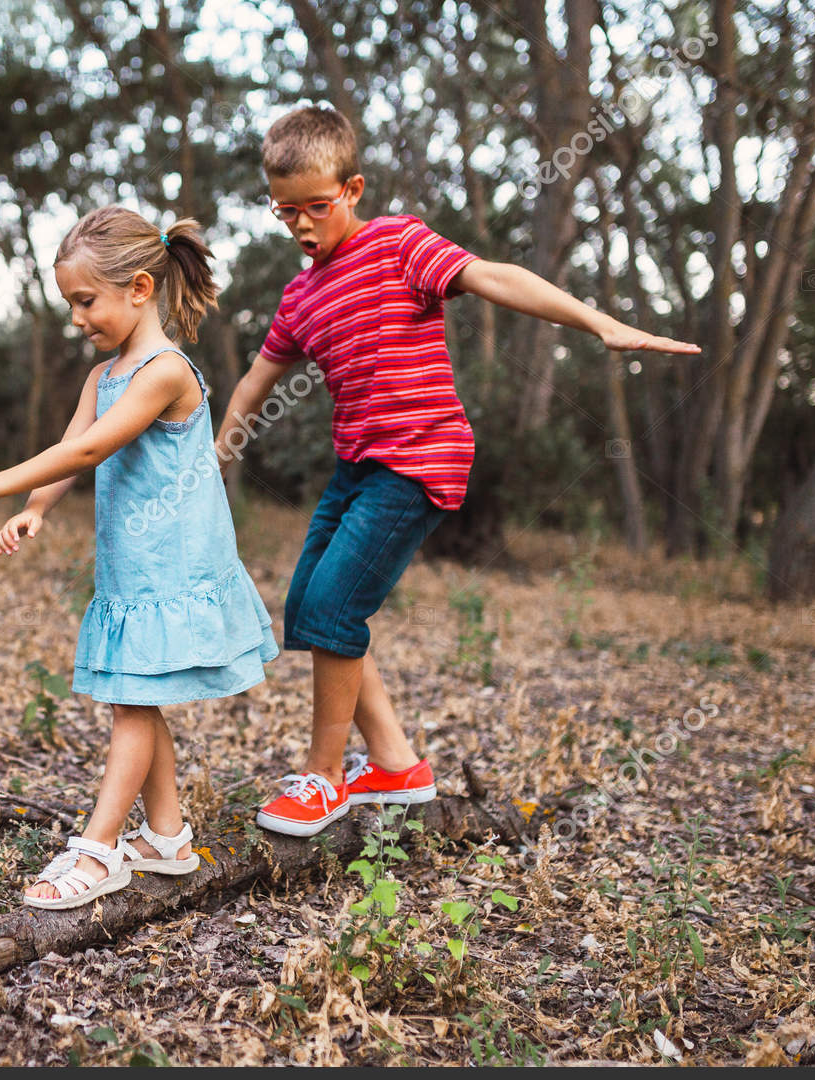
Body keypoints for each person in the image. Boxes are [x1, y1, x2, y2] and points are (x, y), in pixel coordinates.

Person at [215, 105, 702, 838]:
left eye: (318, 205)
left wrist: (597, 321)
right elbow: (257, 379)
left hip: (418, 458)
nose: (304, 224)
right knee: (313, 604)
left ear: (352, 188)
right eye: (287, 211)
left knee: (333, 608)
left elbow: (492, 275)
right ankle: (396, 764)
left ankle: (324, 778)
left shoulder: (397, 243)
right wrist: (219, 450)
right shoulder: (299, 294)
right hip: (358, 464)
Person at [0, 206, 278, 908]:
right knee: (133, 697)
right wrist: (36, 507)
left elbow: (90, 448)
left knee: (133, 706)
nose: (78, 318)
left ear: (140, 288)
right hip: (131, 569)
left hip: (171, 568)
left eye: (86, 300)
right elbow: (70, 447)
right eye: (70, 304)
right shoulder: (104, 374)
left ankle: (100, 847)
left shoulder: (166, 371)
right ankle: (168, 838)